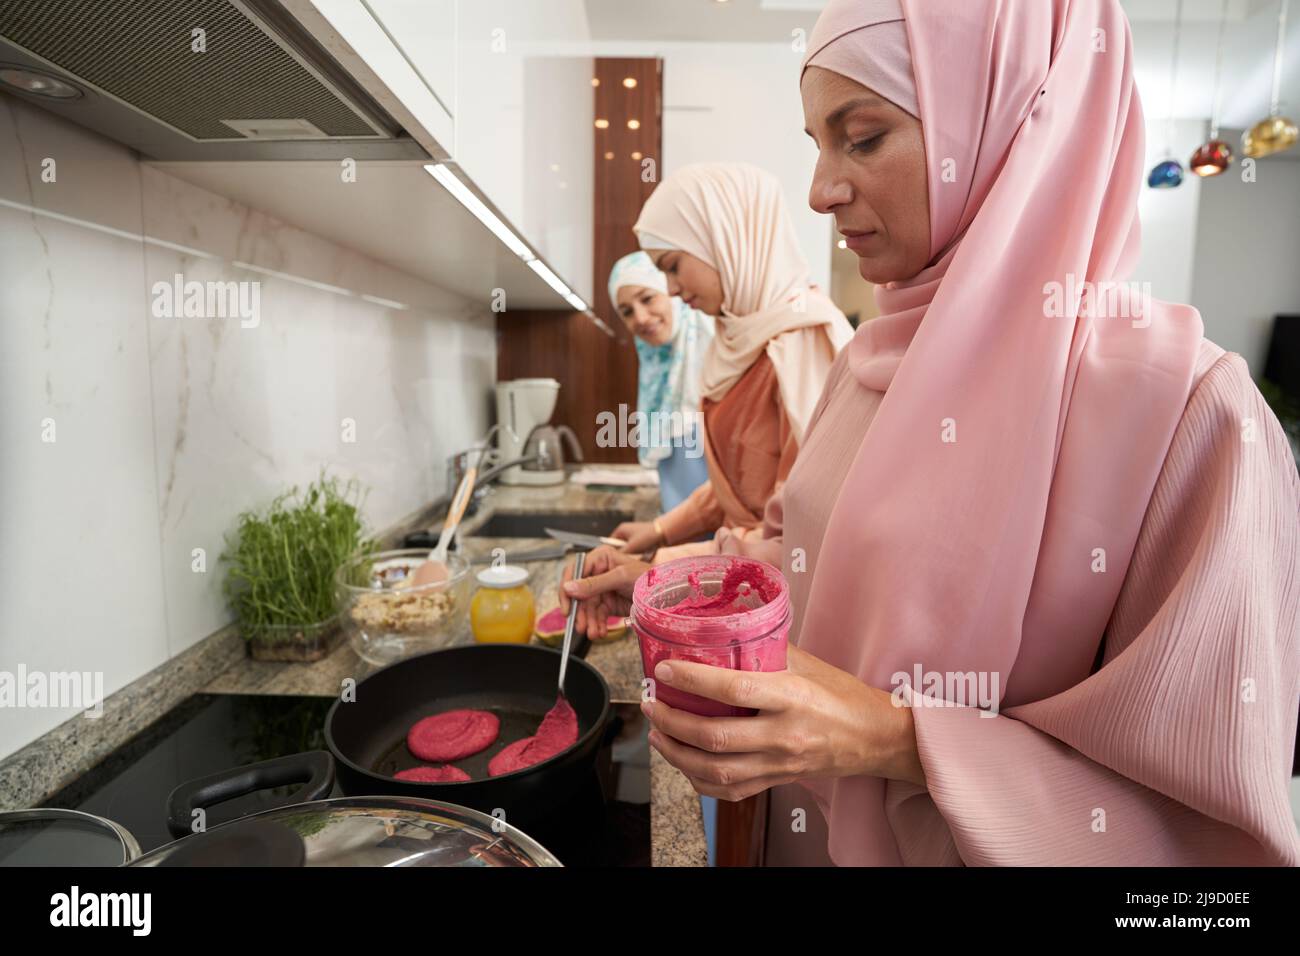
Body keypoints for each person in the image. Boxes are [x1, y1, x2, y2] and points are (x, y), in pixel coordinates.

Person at [564, 0, 1300, 866]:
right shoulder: (868, 364)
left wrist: (889, 739)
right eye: (817, 144)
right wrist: (665, 575)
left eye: (864, 136)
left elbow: (1203, 851)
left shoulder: (1190, 414)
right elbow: (803, 554)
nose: (819, 189)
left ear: (1014, 123)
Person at [606, 163, 853, 559]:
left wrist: (663, 564)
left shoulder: (800, 343)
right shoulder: (738, 337)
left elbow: (802, 532)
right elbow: (735, 490)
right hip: (746, 579)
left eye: (672, 266)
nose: (669, 288)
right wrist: (660, 530)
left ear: (721, 239)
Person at [608, 251, 715, 512]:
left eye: (647, 298)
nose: (641, 318)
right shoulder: (656, 373)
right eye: (627, 312)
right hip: (684, 536)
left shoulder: (719, 359)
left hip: (724, 542)